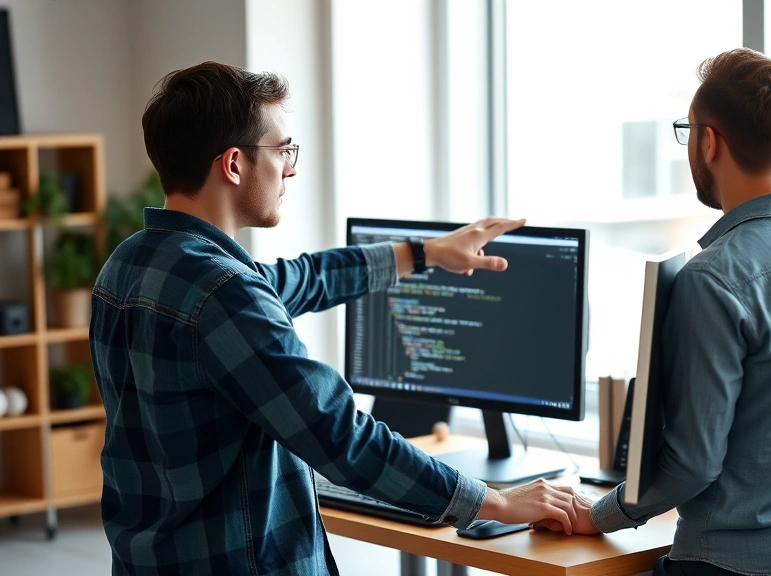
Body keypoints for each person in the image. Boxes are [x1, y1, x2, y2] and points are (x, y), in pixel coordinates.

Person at [89, 61, 580, 575]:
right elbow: (339, 435)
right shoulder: (224, 293)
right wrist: (495, 503)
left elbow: (302, 278)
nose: (291, 168)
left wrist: (427, 252)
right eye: (282, 151)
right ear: (234, 164)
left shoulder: (127, 265)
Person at [549, 48, 771, 575]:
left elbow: (692, 465)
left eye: (688, 131)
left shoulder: (713, 278)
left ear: (709, 140)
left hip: (725, 565)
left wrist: (599, 515)